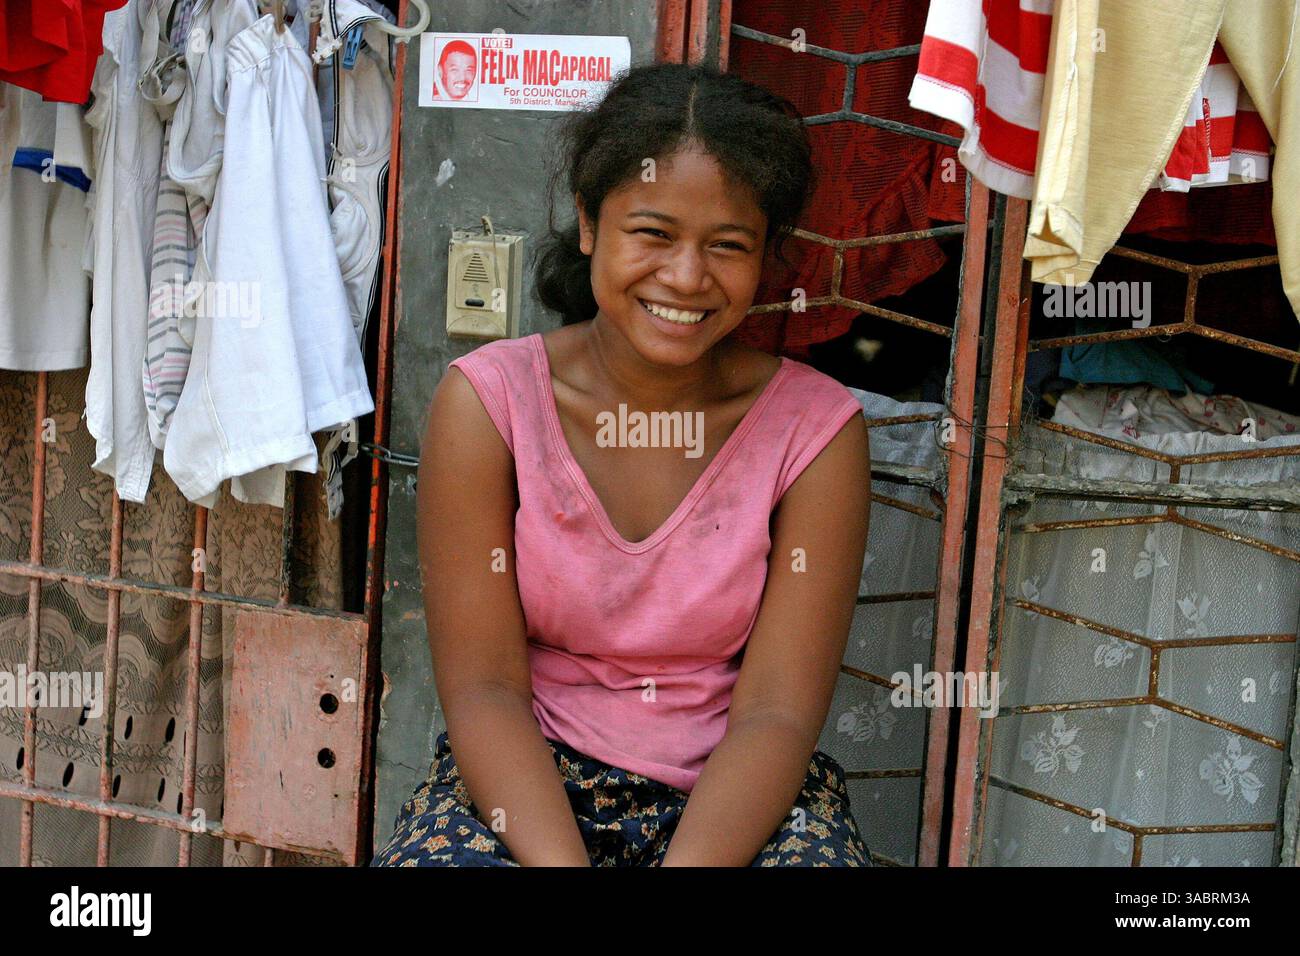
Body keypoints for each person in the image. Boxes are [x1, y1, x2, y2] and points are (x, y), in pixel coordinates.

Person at [373, 62, 874, 867]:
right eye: (652, 233)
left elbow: (775, 715)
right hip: (528, 785)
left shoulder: (815, 431)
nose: (686, 276)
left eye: (728, 245)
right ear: (588, 222)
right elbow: (485, 691)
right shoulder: (491, 404)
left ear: (766, 256)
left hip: (734, 798)